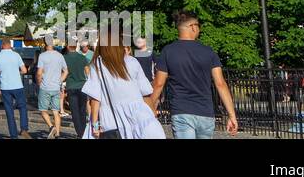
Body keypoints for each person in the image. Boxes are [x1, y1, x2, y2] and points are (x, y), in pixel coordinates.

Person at [149, 11, 239, 139]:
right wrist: (232, 116)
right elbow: (220, 84)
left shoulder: (168, 51)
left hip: (181, 111)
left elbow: (158, 84)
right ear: (193, 27)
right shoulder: (208, 52)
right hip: (205, 113)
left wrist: (150, 106)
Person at [81, 42, 165, 139]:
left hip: (111, 120)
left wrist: (95, 125)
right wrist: (153, 114)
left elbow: (95, 99)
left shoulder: (98, 65)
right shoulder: (132, 61)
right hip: (138, 115)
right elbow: (145, 94)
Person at [0, 40, 30, 138]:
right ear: (10, 46)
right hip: (17, 86)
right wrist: (17, 73)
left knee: (9, 111)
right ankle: (24, 128)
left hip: (5, 88)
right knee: (22, 107)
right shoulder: (16, 55)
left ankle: (13, 135)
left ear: (2, 46)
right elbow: (24, 70)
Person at [35, 39, 68, 138]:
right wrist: (59, 81)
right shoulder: (60, 56)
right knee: (56, 111)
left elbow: (39, 73)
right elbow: (66, 71)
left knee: (43, 110)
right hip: (56, 87)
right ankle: (57, 133)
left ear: (45, 44)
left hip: (45, 87)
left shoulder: (42, 56)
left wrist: (38, 82)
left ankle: (51, 126)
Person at [62, 41, 89, 138]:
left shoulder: (64, 58)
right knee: (82, 111)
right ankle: (84, 132)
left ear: (68, 46)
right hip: (82, 86)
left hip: (71, 86)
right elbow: (87, 71)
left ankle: (80, 134)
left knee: (75, 112)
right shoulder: (82, 57)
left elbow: (64, 72)